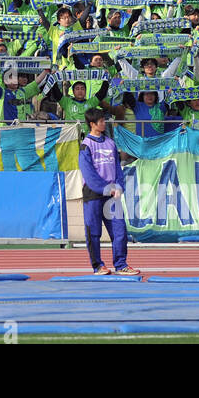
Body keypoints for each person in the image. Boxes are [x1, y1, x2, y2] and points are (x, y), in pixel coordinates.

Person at [77, 108, 139, 276]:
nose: (104, 123)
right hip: (93, 194)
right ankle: (98, 266)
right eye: (101, 121)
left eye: (104, 120)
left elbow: (117, 169)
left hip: (112, 195)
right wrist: (106, 188)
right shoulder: (86, 146)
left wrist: (119, 186)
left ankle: (121, 264)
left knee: (120, 230)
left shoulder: (111, 143)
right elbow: (89, 174)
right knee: (94, 232)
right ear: (92, 124)